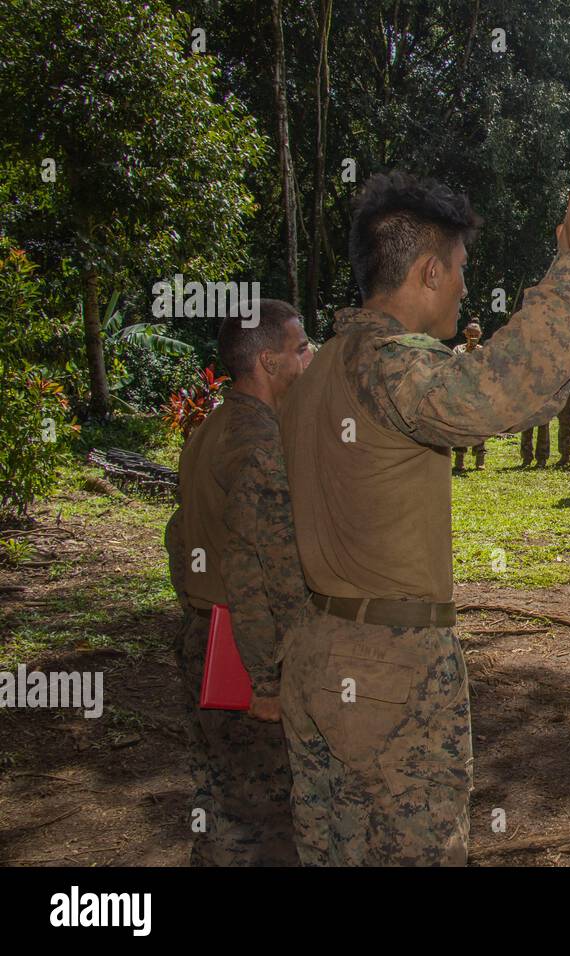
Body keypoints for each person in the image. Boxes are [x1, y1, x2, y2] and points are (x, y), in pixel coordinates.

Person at [278, 160, 570, 865]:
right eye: (459, 269)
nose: (465, 287)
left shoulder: (321, 367)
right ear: (425, 274)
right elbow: (491, 396)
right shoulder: (387, 363)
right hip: (392, 670)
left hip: (318, 652)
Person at [164, 299, 309, 866]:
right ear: (269, 364)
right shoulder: (260, 445)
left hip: (208, 635)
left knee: (222, 799)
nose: (308, 358)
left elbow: (179, 540)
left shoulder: (211, 429)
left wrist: (197, 615)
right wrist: (267, 678)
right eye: (300, 349)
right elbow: (261, 572)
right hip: (244, 650)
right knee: (266, 819)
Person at [451, 321, 487, 471]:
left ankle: (480, 459)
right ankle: (459, 460)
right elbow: (453, 367)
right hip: (462, 393)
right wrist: (467, 352)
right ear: (465, 334)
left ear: (480, 336)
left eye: (476, 336)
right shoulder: (458, 349)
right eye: (470, 335)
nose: (473, 338)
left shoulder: (483, 351)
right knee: (461, 426)